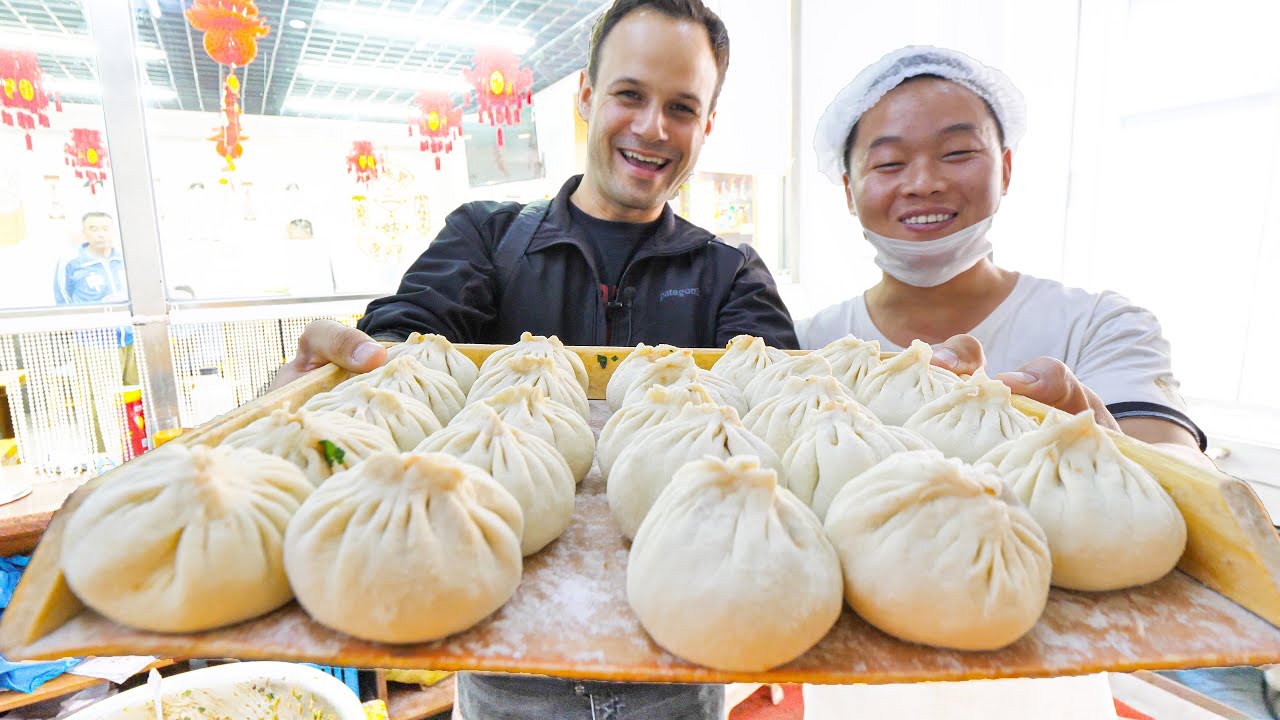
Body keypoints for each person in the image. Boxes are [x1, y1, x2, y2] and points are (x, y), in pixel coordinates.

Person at [272, 1, 797, 717]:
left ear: (707, 126)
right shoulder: (487, 238)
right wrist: (337, 380)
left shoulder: (731, 271)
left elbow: (781, 409)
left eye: (681, 107)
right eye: (630, 94)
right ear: (587, 95)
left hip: (683, 672)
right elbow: (408, 338)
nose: (651, 127)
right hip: (500, 671)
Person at [800, 45, 1208, 466]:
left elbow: (1179, 465)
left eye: (957, 153)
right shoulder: (807, 345)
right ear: (849, 190)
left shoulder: (1098, 327)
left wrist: (1126, 458)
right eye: (888, 163)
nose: (924, 183)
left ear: (1006, 169)